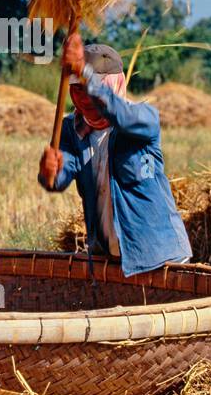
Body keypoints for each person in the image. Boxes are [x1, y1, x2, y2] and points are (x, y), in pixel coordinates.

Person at [38, 34, 192, 276]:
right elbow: (60, 177)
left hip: (160, 259)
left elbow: (117, 111)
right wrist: (49, 174)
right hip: (110, 261)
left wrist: (85, 74)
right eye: (76, 89)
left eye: (93, 89)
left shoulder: (142, 119)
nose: (85, 98)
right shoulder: (71, 130)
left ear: (114, 86)